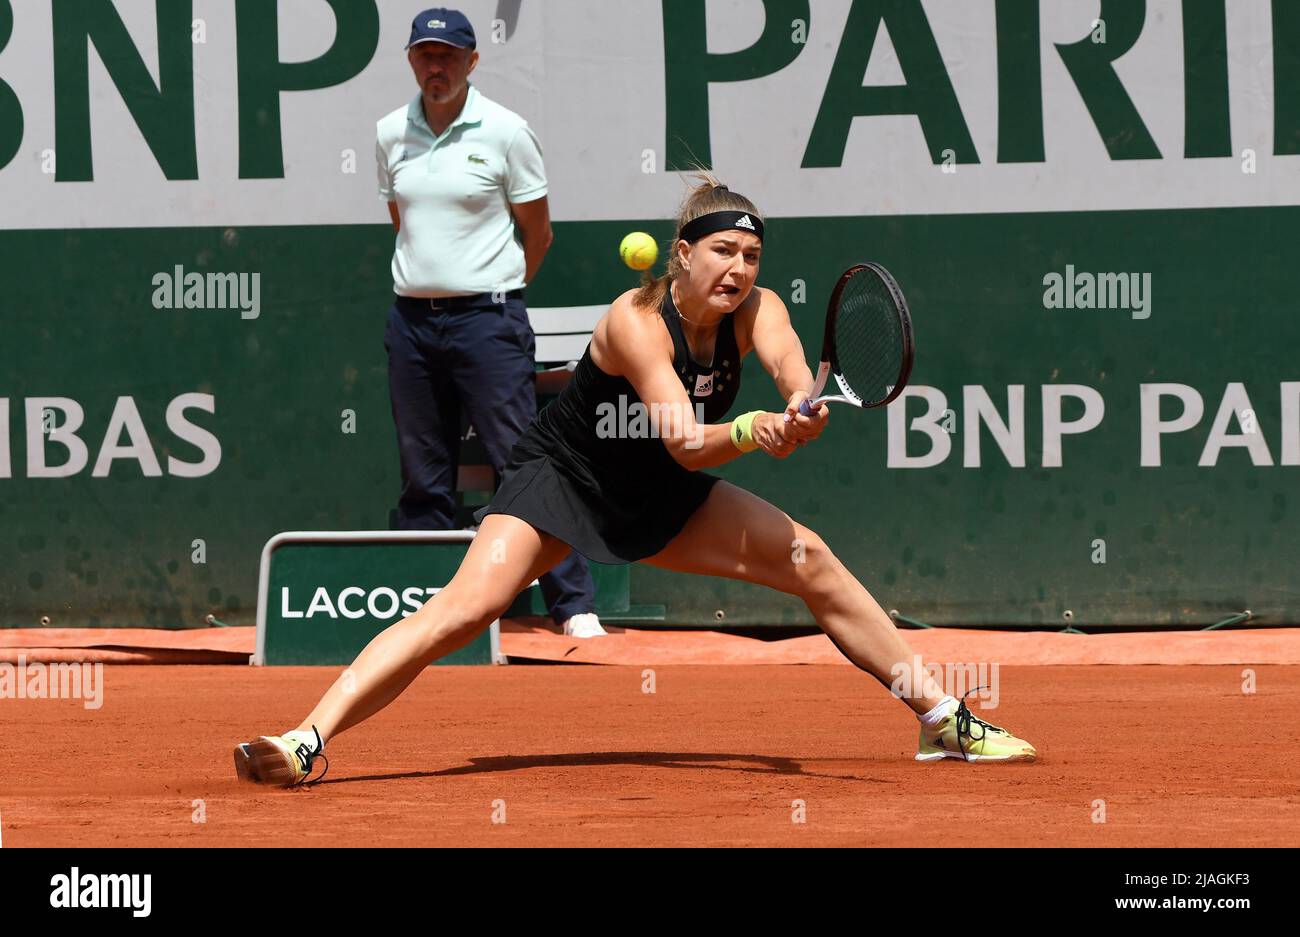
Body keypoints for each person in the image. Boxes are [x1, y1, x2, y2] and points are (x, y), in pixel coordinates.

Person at [234, 176, 1036, 786]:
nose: (739, 268)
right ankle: (308, 738)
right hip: (565, 481)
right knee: (463, 608)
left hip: (664, 497)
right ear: (682, 253)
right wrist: (757, 431)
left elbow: (792, 371)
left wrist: (797, 408)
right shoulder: (633, 319)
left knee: (810, 559)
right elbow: (689, 443)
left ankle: (942, 718)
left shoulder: (757, 313)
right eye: (723, 250)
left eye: (752, 256)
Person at [376, 7, 604, 639]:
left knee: (523, 465)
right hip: (411, 323)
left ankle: (574, 605)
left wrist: (492, 290)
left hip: (489, 320)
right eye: (426, 54)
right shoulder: (390, 132)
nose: (436, 65)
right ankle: (425, 608)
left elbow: (539, 233)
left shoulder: (507, 132)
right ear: (411, 60)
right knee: (423, 474)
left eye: (449, 55)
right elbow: (406, 222)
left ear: (473, 62)